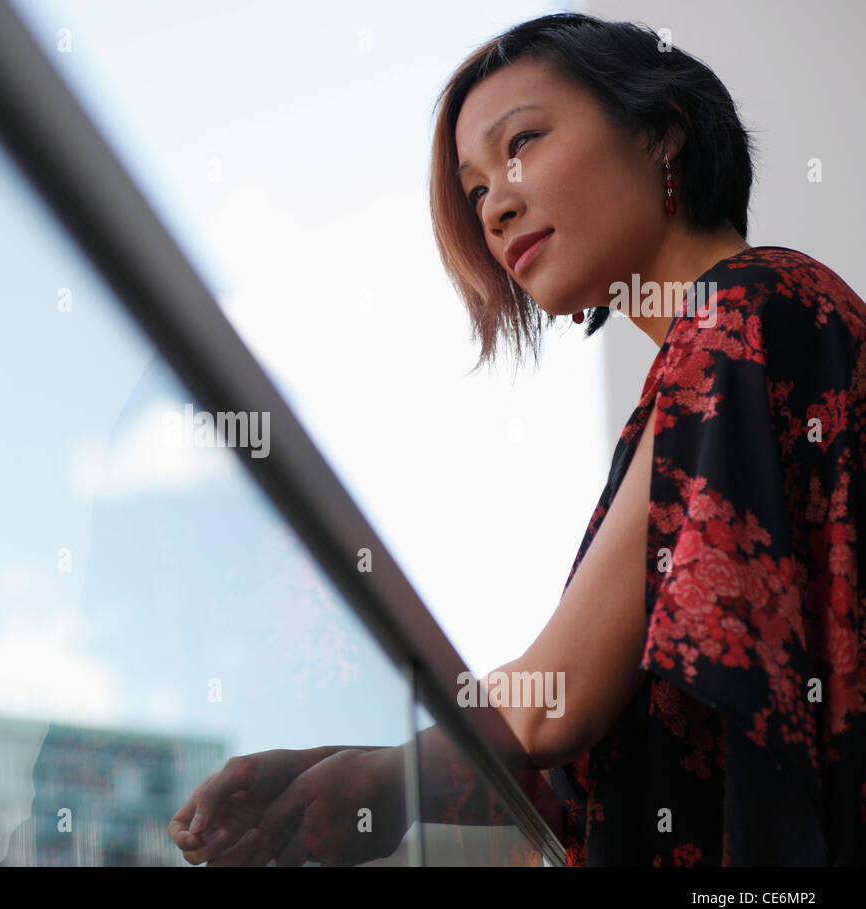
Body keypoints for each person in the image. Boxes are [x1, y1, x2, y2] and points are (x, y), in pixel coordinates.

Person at [168, 12, 866, 866]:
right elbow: (608, 745)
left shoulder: (751, 310)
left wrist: (388, 777)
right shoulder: (717, 352)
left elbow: (556, 703)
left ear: (660, 134)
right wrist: (349, 773)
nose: (495, 204)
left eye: (522, 143)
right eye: (473, 191)